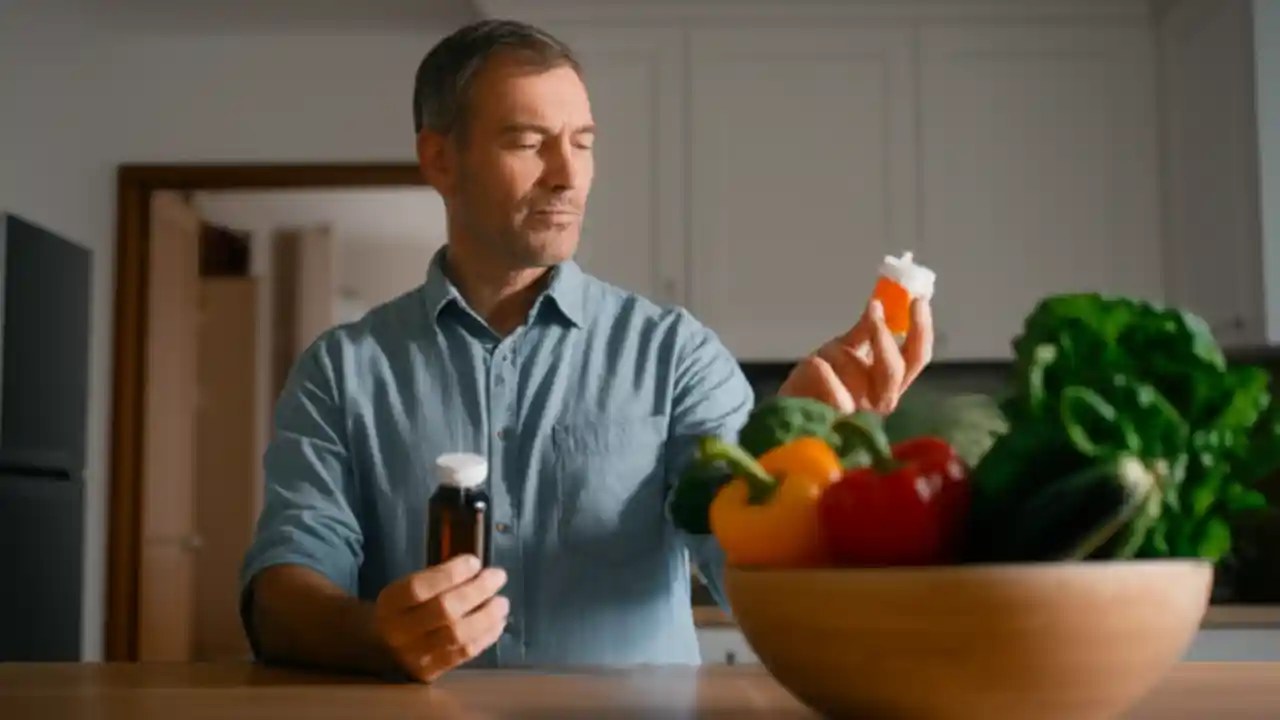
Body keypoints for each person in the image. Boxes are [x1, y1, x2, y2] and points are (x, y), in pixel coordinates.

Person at [239, 18, 933, 683]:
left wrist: (790, 467)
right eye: (528, 141)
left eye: (583, 141)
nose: (568, 176)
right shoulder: (342, 370)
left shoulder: (676, 356)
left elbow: (750, 580)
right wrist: (373, 636)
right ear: (441, 158)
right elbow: (281, 594)